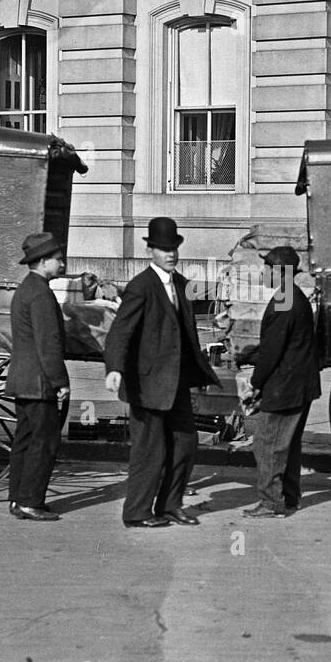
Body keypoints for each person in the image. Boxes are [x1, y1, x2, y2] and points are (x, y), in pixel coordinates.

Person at [104, 217, 219, 528]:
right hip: (147, 384)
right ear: (150, 251)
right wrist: (114, 368)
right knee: (149, 450)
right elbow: (120, 332)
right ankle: (137, 512)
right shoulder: (140, 287)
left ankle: (170, 505)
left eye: (174, 249)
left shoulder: (181, 284)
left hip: (177, 382)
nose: (170, 254)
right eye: (163, 249)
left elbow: (187, 331)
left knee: (185, 442)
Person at [239, 246, 321, 518]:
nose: (263, 272)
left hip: (284, 386)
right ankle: (290, 499)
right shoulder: (292, 296)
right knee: (289, 445)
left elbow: (273, 351)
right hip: (299, 384)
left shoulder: (284, 300)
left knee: (267, 443)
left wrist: (255, 382)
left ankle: (272, 503)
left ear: (278, 271)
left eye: (266, 268)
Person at [3, 232, 70, 522]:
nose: (62, 263)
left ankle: (17, 499)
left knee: (25, 441)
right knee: (44, 443)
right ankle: (31, 502)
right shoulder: (41, 294)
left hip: (23, 380)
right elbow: (49, 344)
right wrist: (61, 382)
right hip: (40, 382)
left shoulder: (26, 288)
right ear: (43, 262)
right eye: (58, 259)